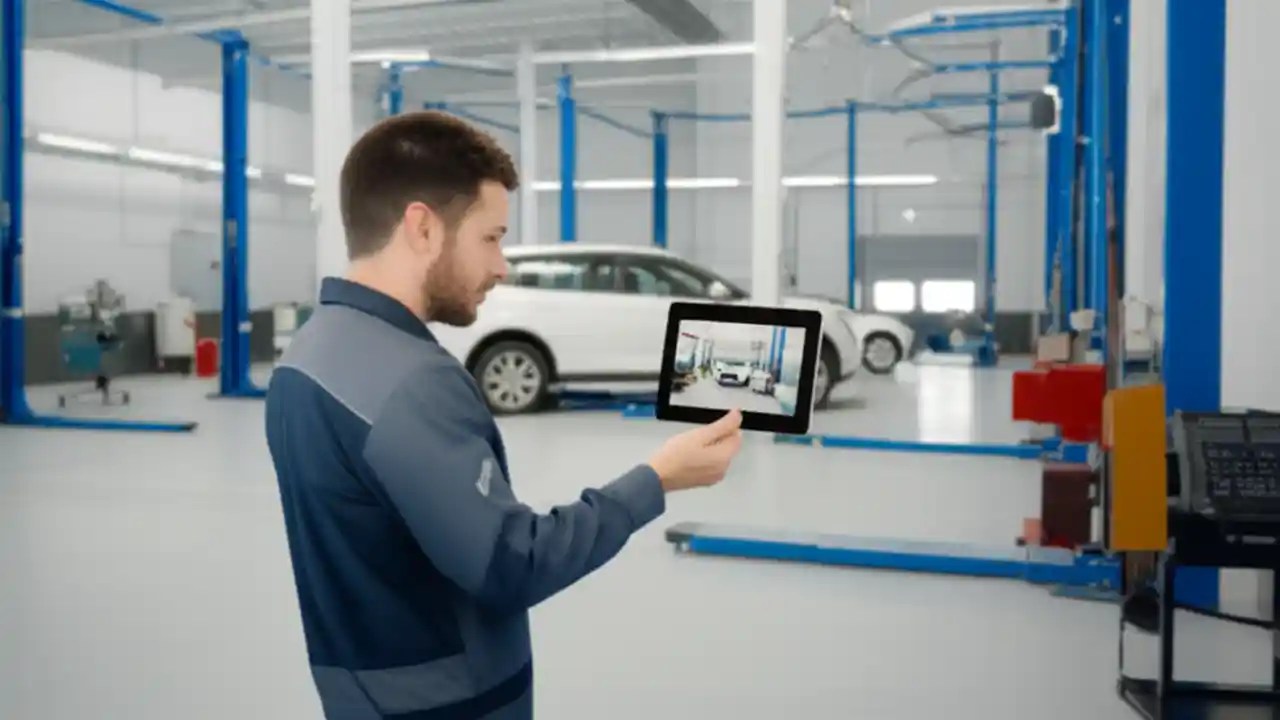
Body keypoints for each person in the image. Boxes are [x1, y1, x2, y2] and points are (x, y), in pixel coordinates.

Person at [264, 111, 744, 720]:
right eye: (491, 237)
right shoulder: (412, 382)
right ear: (423, 227)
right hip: (453, 702)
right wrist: (658, 478)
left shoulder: (305, 355)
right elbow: (511, 564)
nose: (503, 266)